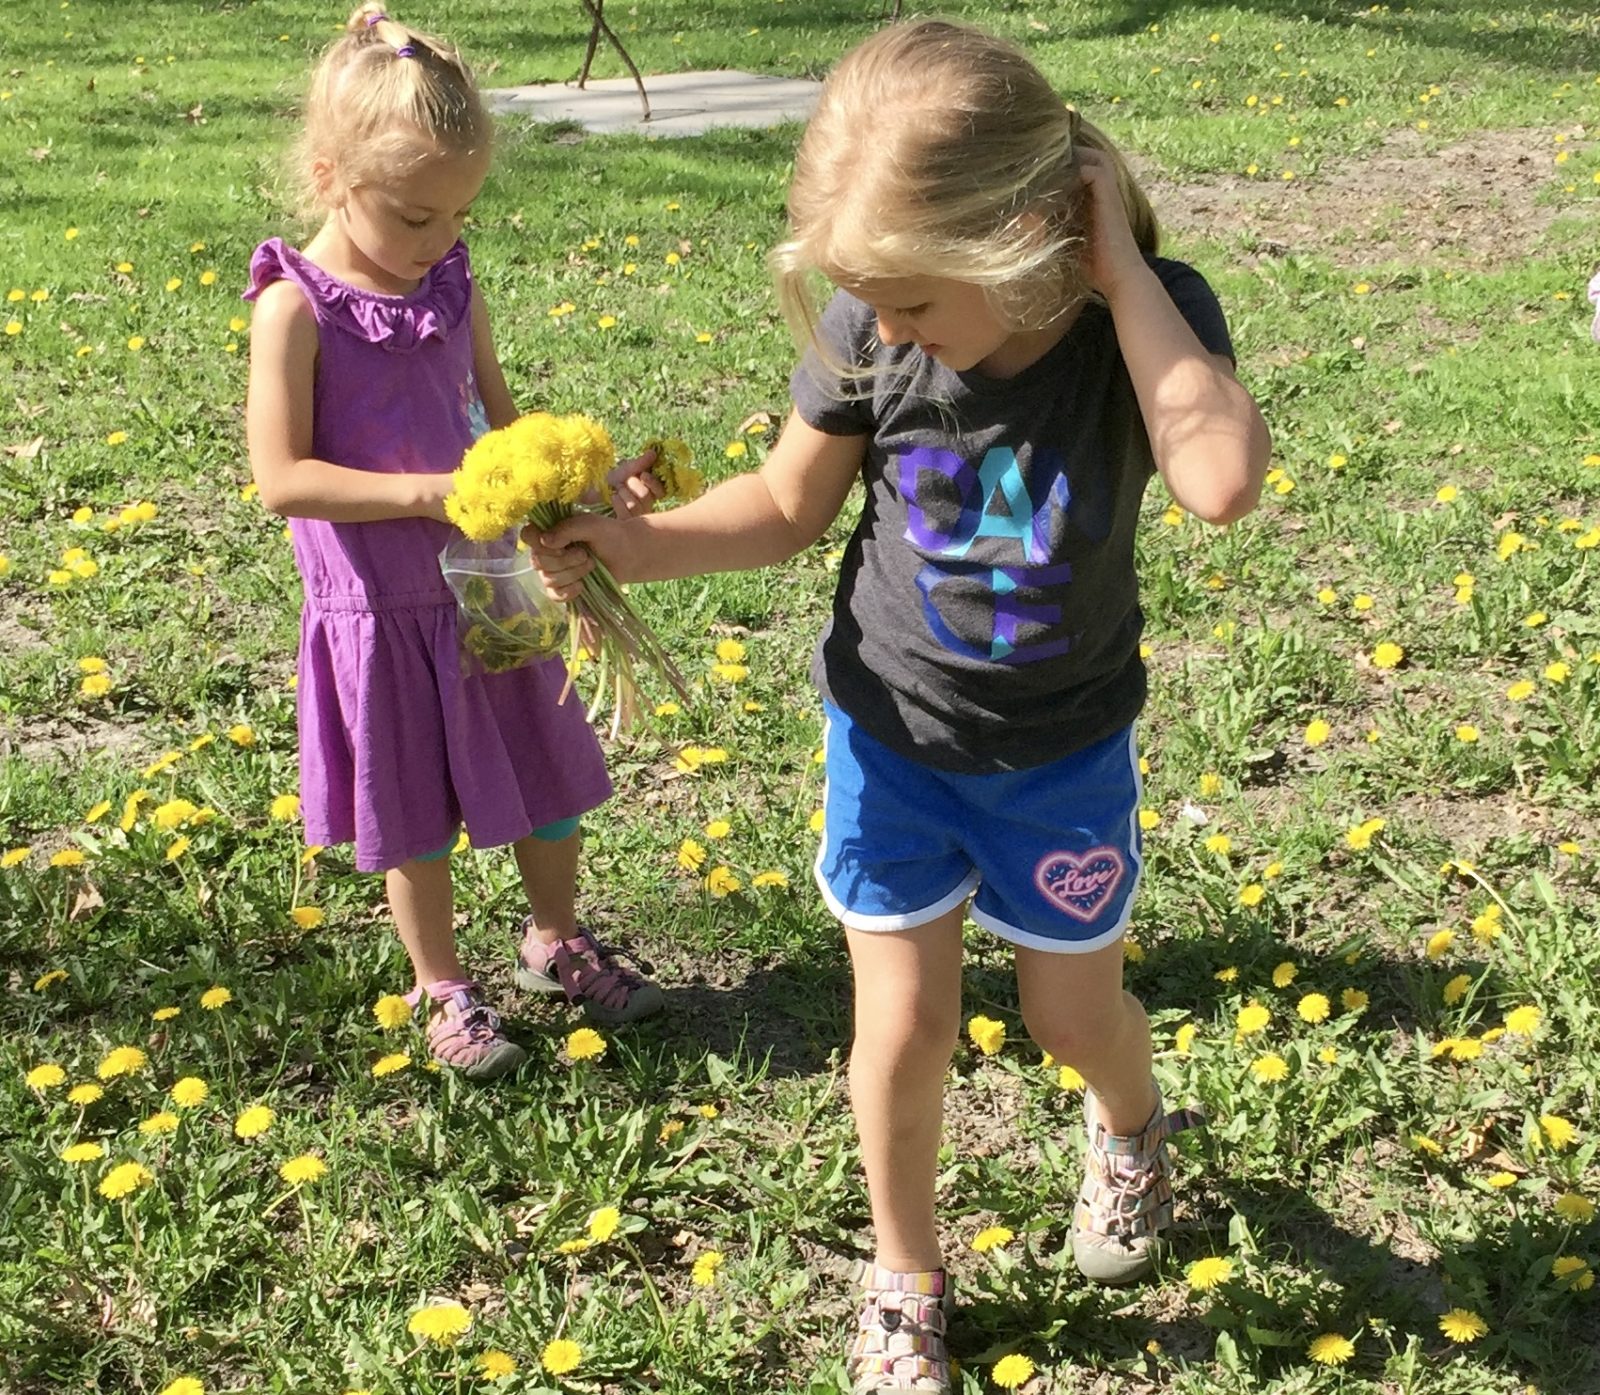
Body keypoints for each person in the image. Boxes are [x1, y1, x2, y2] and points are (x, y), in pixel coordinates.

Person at [534, 17, 1271, 1389]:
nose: (886, 328)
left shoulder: (1142, 321)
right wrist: (631, 543)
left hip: (1061, 756)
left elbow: (1219, 480)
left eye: (916, 302)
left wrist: (1119, 269)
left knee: (1071, 1018)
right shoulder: (872, 333)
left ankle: (1129, 1124)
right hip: (891, 742)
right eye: (870, 300)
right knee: (901, 1028)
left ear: (1024, 239)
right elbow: (782, 506)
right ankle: (903, 1279)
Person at [244, 4, 665, 1081]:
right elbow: (281, 477)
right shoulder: (295, 312)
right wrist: (427, 493)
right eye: (416, 215)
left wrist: (582, 483)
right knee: (414, 814)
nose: (439, 238)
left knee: (548, 777)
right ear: (331, 176)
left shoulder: (452, 283)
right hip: (382, 610)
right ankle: (441, 984)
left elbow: (499, 422)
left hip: (489, 584)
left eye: (460, 213)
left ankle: (555, 937)